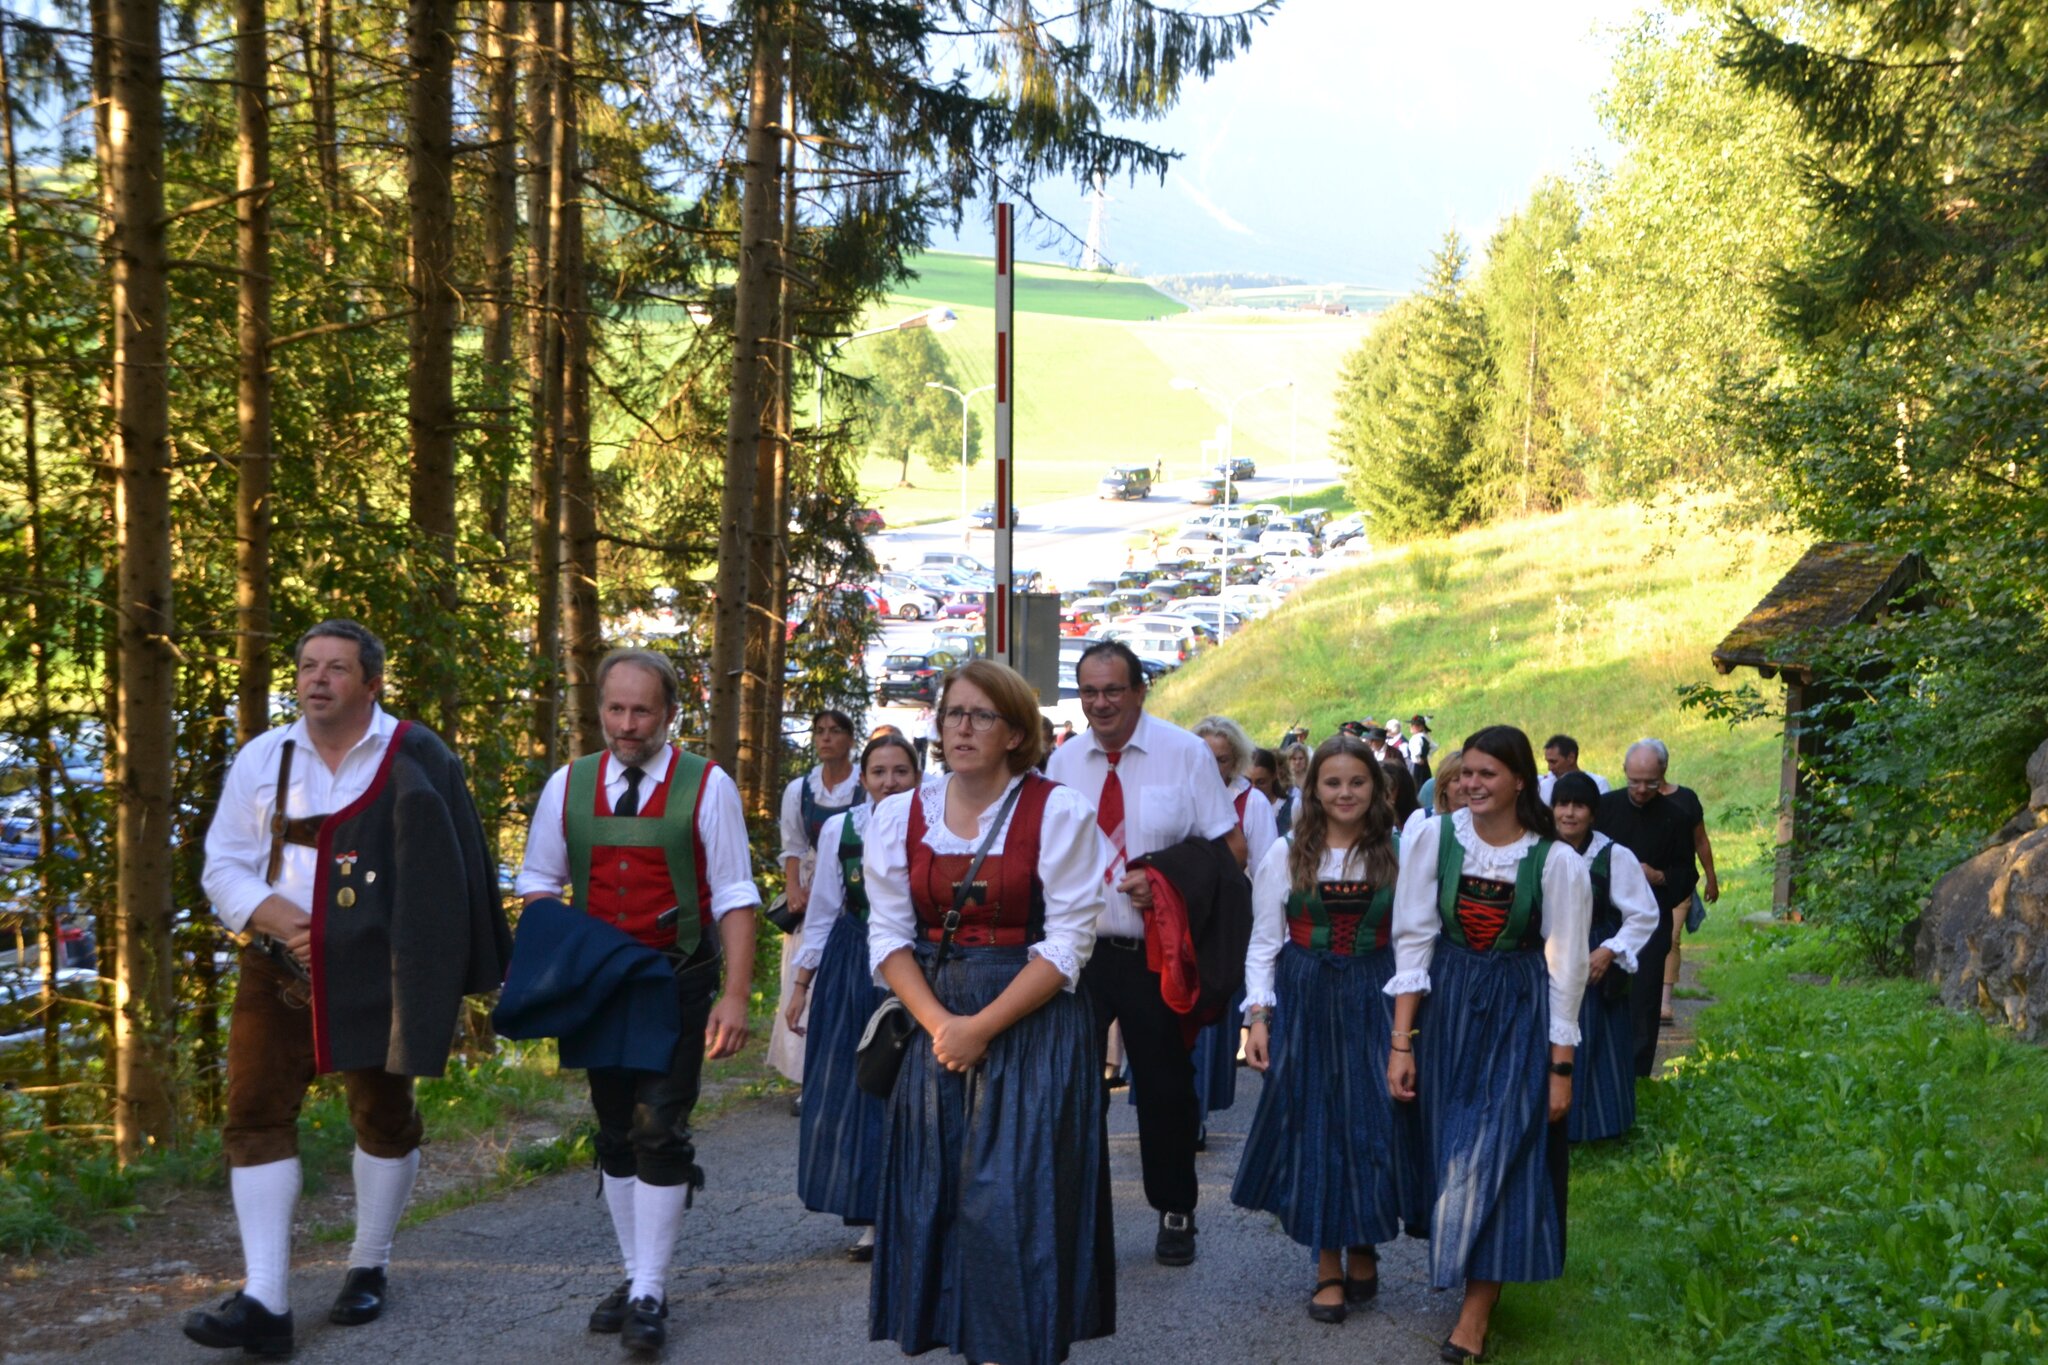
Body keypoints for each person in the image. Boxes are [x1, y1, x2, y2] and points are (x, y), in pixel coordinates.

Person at [187, 621, 510, 1356]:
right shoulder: (263, 757)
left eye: (336, 668)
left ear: (372, 682)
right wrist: (283, 918)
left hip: (382, 968)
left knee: (384, 1114)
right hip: (278, 966)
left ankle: (369, 1263)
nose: (317, 679)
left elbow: (454, 871)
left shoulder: (418, 756)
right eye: (307, 665)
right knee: (255, 1115)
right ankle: (265, 1299)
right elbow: (224, 865)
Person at [866, 659, 1114, 1365]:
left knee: (1016, 1204)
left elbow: (1068, 944)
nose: (962, 728)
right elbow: (887, 934)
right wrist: (944, 1023)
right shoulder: (900, 814)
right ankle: (973, 1344)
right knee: (939, 1201)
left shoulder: (1057, 810)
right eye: (952, 714)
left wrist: (981, 1026)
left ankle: (1018, 1348)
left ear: (1015, 732)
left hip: (1030, 1023)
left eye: (981, 715)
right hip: (935, 1018)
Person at [516, 649, 760, 1354]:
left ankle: (651, 1288)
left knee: (660, 1124)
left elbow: (738, 894)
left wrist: (736, 995)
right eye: (615, 709)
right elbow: (538, 879)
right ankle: (634, 1274)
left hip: (676, 978)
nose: (627, 724)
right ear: (599, 710)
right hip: (598, 983)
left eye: (642, 710)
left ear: (669, 713)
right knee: (616, 1127)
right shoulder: (568, 784)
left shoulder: (706, 786)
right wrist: (552, 967)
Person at [1386, 725, 1591, 1363]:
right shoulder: (1433, 837)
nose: (1472, 784)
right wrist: (1402, 1041)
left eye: (1487, 774)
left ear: (1520, 781)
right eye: (1466, 772)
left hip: (1519, 1010)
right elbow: (1413, 937)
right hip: (1448, 1008)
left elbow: (1567, 967)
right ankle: (1470, 1273)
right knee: (1454, 1149)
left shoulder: (1556, 861)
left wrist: (1561, 1066)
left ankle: (1475, 1315)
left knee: (1505, 1150)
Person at [1047, 642, 1246, 1267]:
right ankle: (1073, 1213)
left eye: (1112, 690)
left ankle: (1175, 1207)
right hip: (1076, 953)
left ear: (1139, 691)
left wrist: (1164, 879)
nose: (1101, 703)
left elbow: (1229, 853)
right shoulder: (1061, 763)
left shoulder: (1184, 753)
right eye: (1089, 692)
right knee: (1068, 1086)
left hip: (1150, 951)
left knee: (1163, 1088)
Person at [1232, 736, 1422, 1324]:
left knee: (1372, 1121)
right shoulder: (1287, 854)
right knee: (1317, 1123)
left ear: (1378, 789)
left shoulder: (1400, 851)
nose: (1345, 793)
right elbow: (1264, 943)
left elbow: (1414, 938)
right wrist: (1258, 1017)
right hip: (1306, 991)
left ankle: (1363, 1236)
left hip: (1375, 989)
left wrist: (1403, 1033)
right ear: (1312, 788)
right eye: (1333, 782)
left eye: (1357, 782)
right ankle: (1328, 1264)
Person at [785, 733, 920, 1263]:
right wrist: (801, 986)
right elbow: (821, 913)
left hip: (916, 963)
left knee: (913, 1089)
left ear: (917, 775)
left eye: (900, 771)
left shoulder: (938, 823)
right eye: (879, 772)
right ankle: (870, 1215)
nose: (889, 782)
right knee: (859, 1087)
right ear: (862, 780)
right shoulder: (842, 828)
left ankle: (916, 1207)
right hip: (853, 964)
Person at [1550, 773, 1659, 1142]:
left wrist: (1609, 949)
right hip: (1546, 956)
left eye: (1578, 806)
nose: (1569, 813)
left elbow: (1643, 913)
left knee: (1595, 1041)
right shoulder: (1539, 851)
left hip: (1593, 958)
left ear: (1593, 814)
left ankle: (1595, 1125)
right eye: (1562, 804)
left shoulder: (1614, 856)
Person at [771, 710, 863, 1098]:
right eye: (820, 732)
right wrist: (794, 890)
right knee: (804, 973)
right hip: (814, 885)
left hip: (858, 884)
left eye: (834, 731)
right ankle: (808, 1077)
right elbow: (792, 846)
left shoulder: (864, 784)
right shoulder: (800, 790)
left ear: (849, 739)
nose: (825, 739)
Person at [1596, 739, 1698, 1075]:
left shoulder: (1677, 817)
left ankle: (1636, 1076)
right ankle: (1598, 1070)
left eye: (1651, 783)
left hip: (1652, 922)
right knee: (1599, 993)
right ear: (1624, 771)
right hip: (1604, 918)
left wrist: (1659, 876)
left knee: (1643, 1001)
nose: (1641, 789)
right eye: (1634, 781)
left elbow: (1687, 872)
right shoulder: (1603, 808)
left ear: (1663, 774)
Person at [1658, 763, 1718, 1025]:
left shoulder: (1686, 798)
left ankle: (1664, 1002)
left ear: (1663, 767)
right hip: (1638, 882)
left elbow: (1701, 840)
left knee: (1670, 937)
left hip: (1679, 883)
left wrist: (1711, 877)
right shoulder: (1628, 801)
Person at [1406, 748, 1464, 851]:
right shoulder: (1422, 818)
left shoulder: (1486, 820)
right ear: (1444, 785)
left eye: (1468, 778)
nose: (1465, 785)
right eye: (1456, 780)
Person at [1535, 734, 1611, 804]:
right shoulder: (1544, 785)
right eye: (1548, 762)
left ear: (1571, 758)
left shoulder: (1599, 784)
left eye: (1553, 762)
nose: (1549, 768)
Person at [1275, 741, 1311, 837]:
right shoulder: (1285, 781)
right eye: (1293, 759)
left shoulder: (1312, 777)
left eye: (1300, 758)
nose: (1297, 762)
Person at [1408, 714, 1437, 785]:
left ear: (1421, 727)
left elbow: (1415, 753)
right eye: (1412, 725)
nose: (1411, 727)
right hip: (1425, 765)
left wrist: (1418, 759)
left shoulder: (1416, 738)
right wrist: (1427, 756)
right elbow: (1434, 747)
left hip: (1416, 767)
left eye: (1414, 725)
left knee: (1417, 785)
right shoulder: (1425, 737)